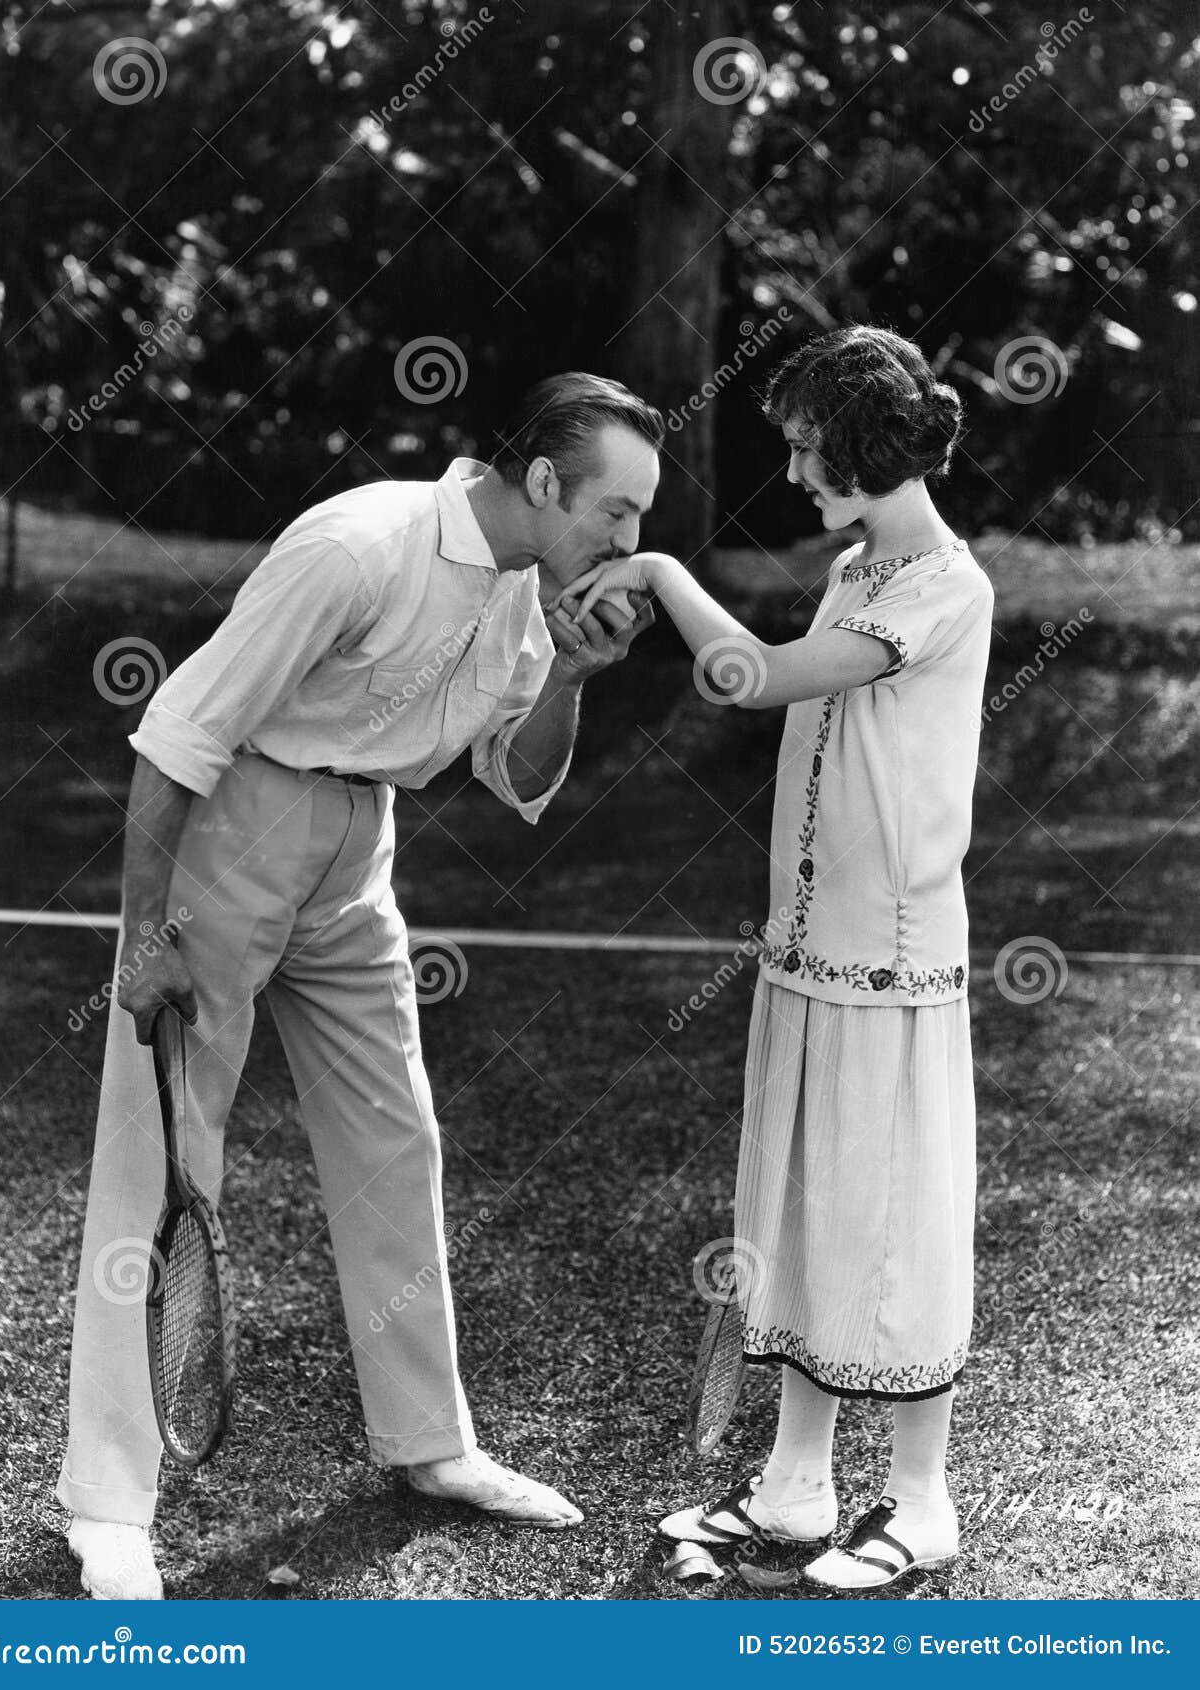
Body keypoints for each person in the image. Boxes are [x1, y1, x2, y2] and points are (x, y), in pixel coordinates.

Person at [58, 372, 662, 1600]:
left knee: (398, 1140)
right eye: (616, 510)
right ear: (544, 483)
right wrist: (142, 934)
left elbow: (515, 776)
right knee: (160, 1155)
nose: (630, 543)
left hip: (357, 852)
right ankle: (108, 1507)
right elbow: (179, 730)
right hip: (235, 827)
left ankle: (430, 1445)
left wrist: (570, 681)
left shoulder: (520, 595)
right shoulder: (356, 543)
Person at [565, 326, 994, 1591]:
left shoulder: (941, 586)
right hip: (807, 953)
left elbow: (747, 676)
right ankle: (795, 1486)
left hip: (891, 964)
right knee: (798, 1210)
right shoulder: (861, 563)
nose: (797, 474)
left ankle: (920, 1500)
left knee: (897, 1217)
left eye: (809, 449)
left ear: (865, 448)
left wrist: (652, 564)